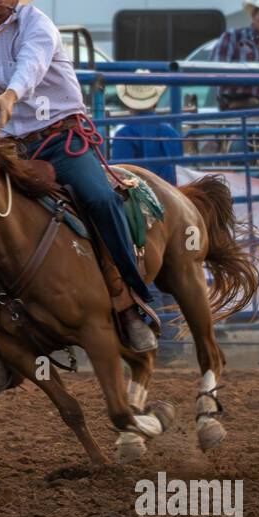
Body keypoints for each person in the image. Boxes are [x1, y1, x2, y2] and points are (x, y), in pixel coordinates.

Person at [0, 0, 158, 355]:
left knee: (98, 198)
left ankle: (132, 301)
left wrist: (11, 95)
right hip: (11, 144)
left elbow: (32, 63)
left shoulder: (37, 23)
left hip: (61, 136)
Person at [109, 75, 186, 362]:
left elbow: (122, 176)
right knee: (174, 275)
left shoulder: (125, 134)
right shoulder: (171, 133)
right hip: (172, 208)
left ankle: (155, 343)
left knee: (144, 272)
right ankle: (174, 347)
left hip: (139, 211)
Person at [109, 74, 185, 185]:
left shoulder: (124, 135)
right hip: (172, 194)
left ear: (128, 103)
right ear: (155, 102)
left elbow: (119, 177)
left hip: (139, 198)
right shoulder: (172, 133)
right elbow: (179, 169)